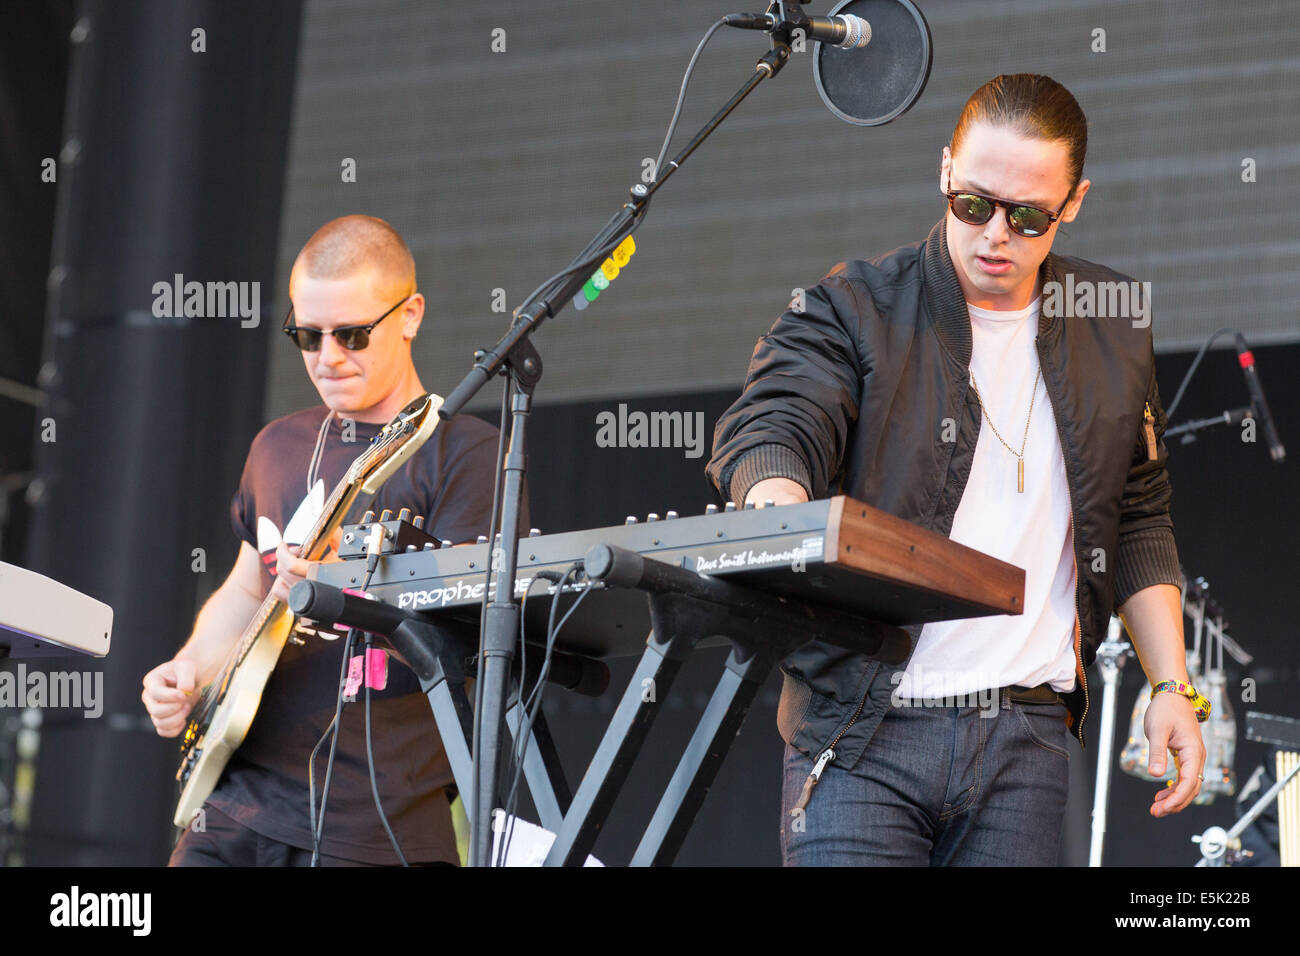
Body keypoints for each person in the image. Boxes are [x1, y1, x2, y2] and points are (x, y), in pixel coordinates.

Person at [706, 74, 1207, 865]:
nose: (995, 234)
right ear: (945, 171)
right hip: (863, 733)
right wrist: (781, 506)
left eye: (1029, 215)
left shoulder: (1112, 325)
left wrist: (1172, 686)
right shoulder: (855, 305)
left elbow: (1139, 512)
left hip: (1025, 740)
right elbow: (778, 421)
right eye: (974, 203)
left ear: (1073, 202)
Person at [142, 215, 505, 866]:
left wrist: (346, 587)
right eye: (307, 336)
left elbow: (467, 632)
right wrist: (190, 670)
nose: (328, 357)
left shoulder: (465, 454)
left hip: (374, 827)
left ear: (411, 314)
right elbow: (246, 587)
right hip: (231, 803)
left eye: (352, 334)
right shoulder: (276, 444)